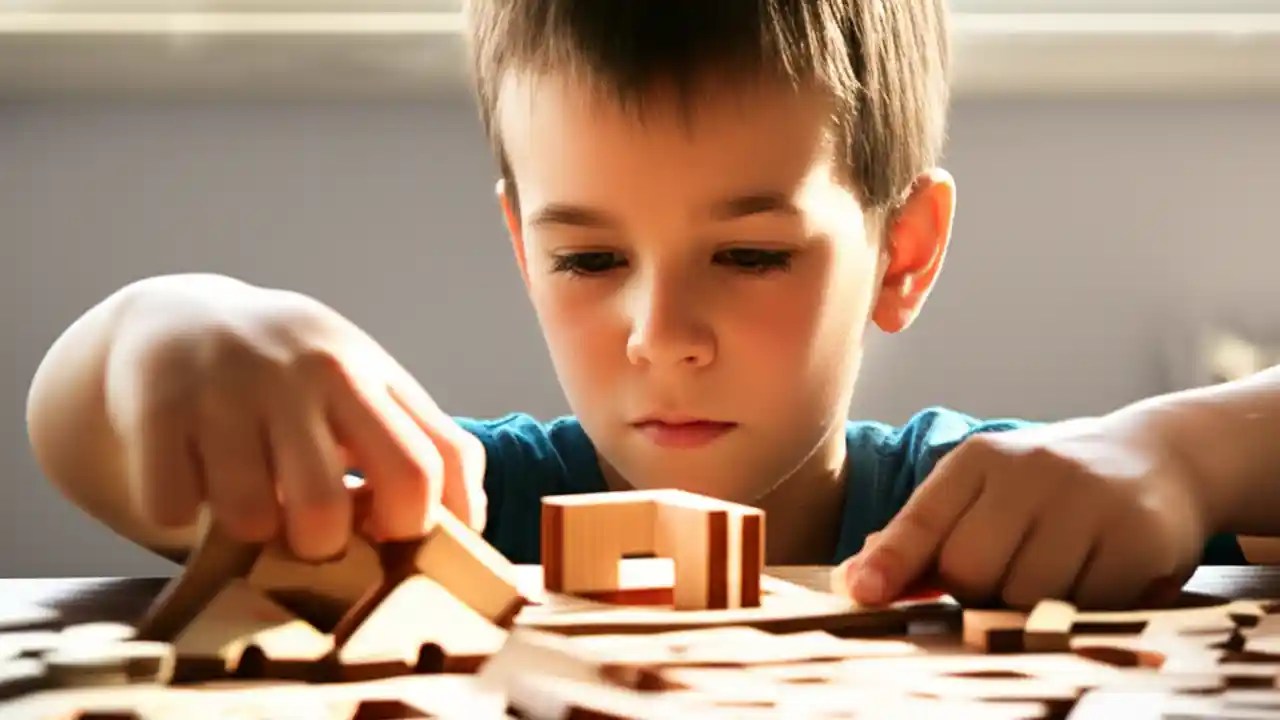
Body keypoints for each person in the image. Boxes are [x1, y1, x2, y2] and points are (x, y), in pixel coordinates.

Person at [24, 0, 1280, 612]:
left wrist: (1184, 456)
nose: (657, 336)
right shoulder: (460, 509)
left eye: (745, 257)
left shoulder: (991, 515)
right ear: (523, 250)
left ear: (902, 252)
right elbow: (101, 453)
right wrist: (167, 329)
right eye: (587, 262)